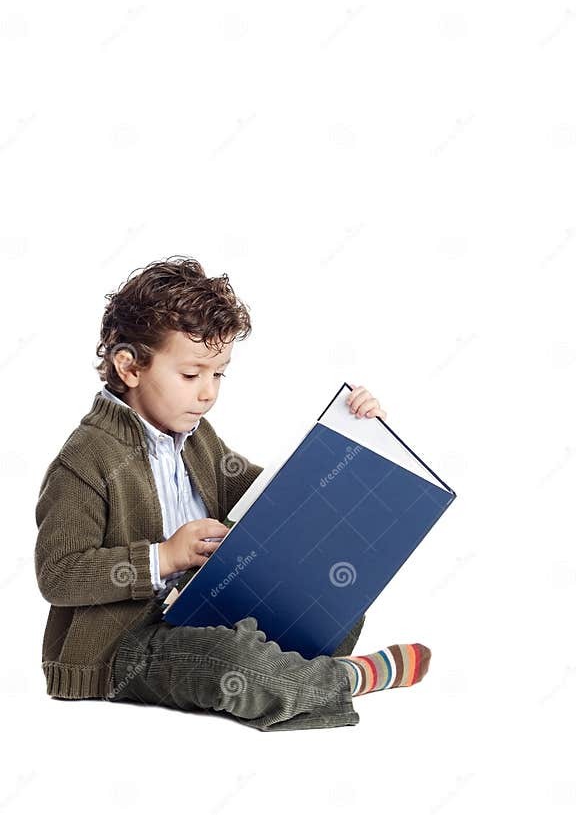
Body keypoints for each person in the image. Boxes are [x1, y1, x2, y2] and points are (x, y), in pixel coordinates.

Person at [34, 255, 431, 732]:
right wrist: (163, 556)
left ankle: (299, 680)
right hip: (126, 645)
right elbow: (57, 576)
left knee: (334, 598)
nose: (208, 393)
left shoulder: (199, 439)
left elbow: (272, 500)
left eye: (218, 374)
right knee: (232, 663)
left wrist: (355, 433)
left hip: (205, 609)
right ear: (130, 366)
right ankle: (339, 679)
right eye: (191, 374)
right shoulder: (86, 459)